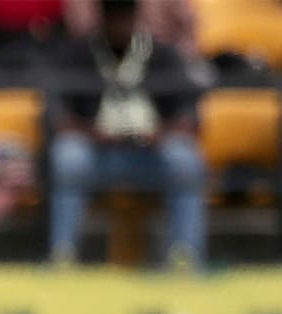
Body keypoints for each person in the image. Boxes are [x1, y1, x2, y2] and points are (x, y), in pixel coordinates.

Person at [47, 0, 205, 268]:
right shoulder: (77, 55)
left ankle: (184, 257)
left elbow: (189, 117)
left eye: (125, 19)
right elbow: (57, 117)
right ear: (102, 20)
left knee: (185, 160)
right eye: (114, 19)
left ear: (136, 18)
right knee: (68, 156)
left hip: (151, 154)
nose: (120, 27)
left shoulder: (162, 55)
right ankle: (63, 254)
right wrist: (93, 134)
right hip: (97, 154)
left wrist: (160, 134)